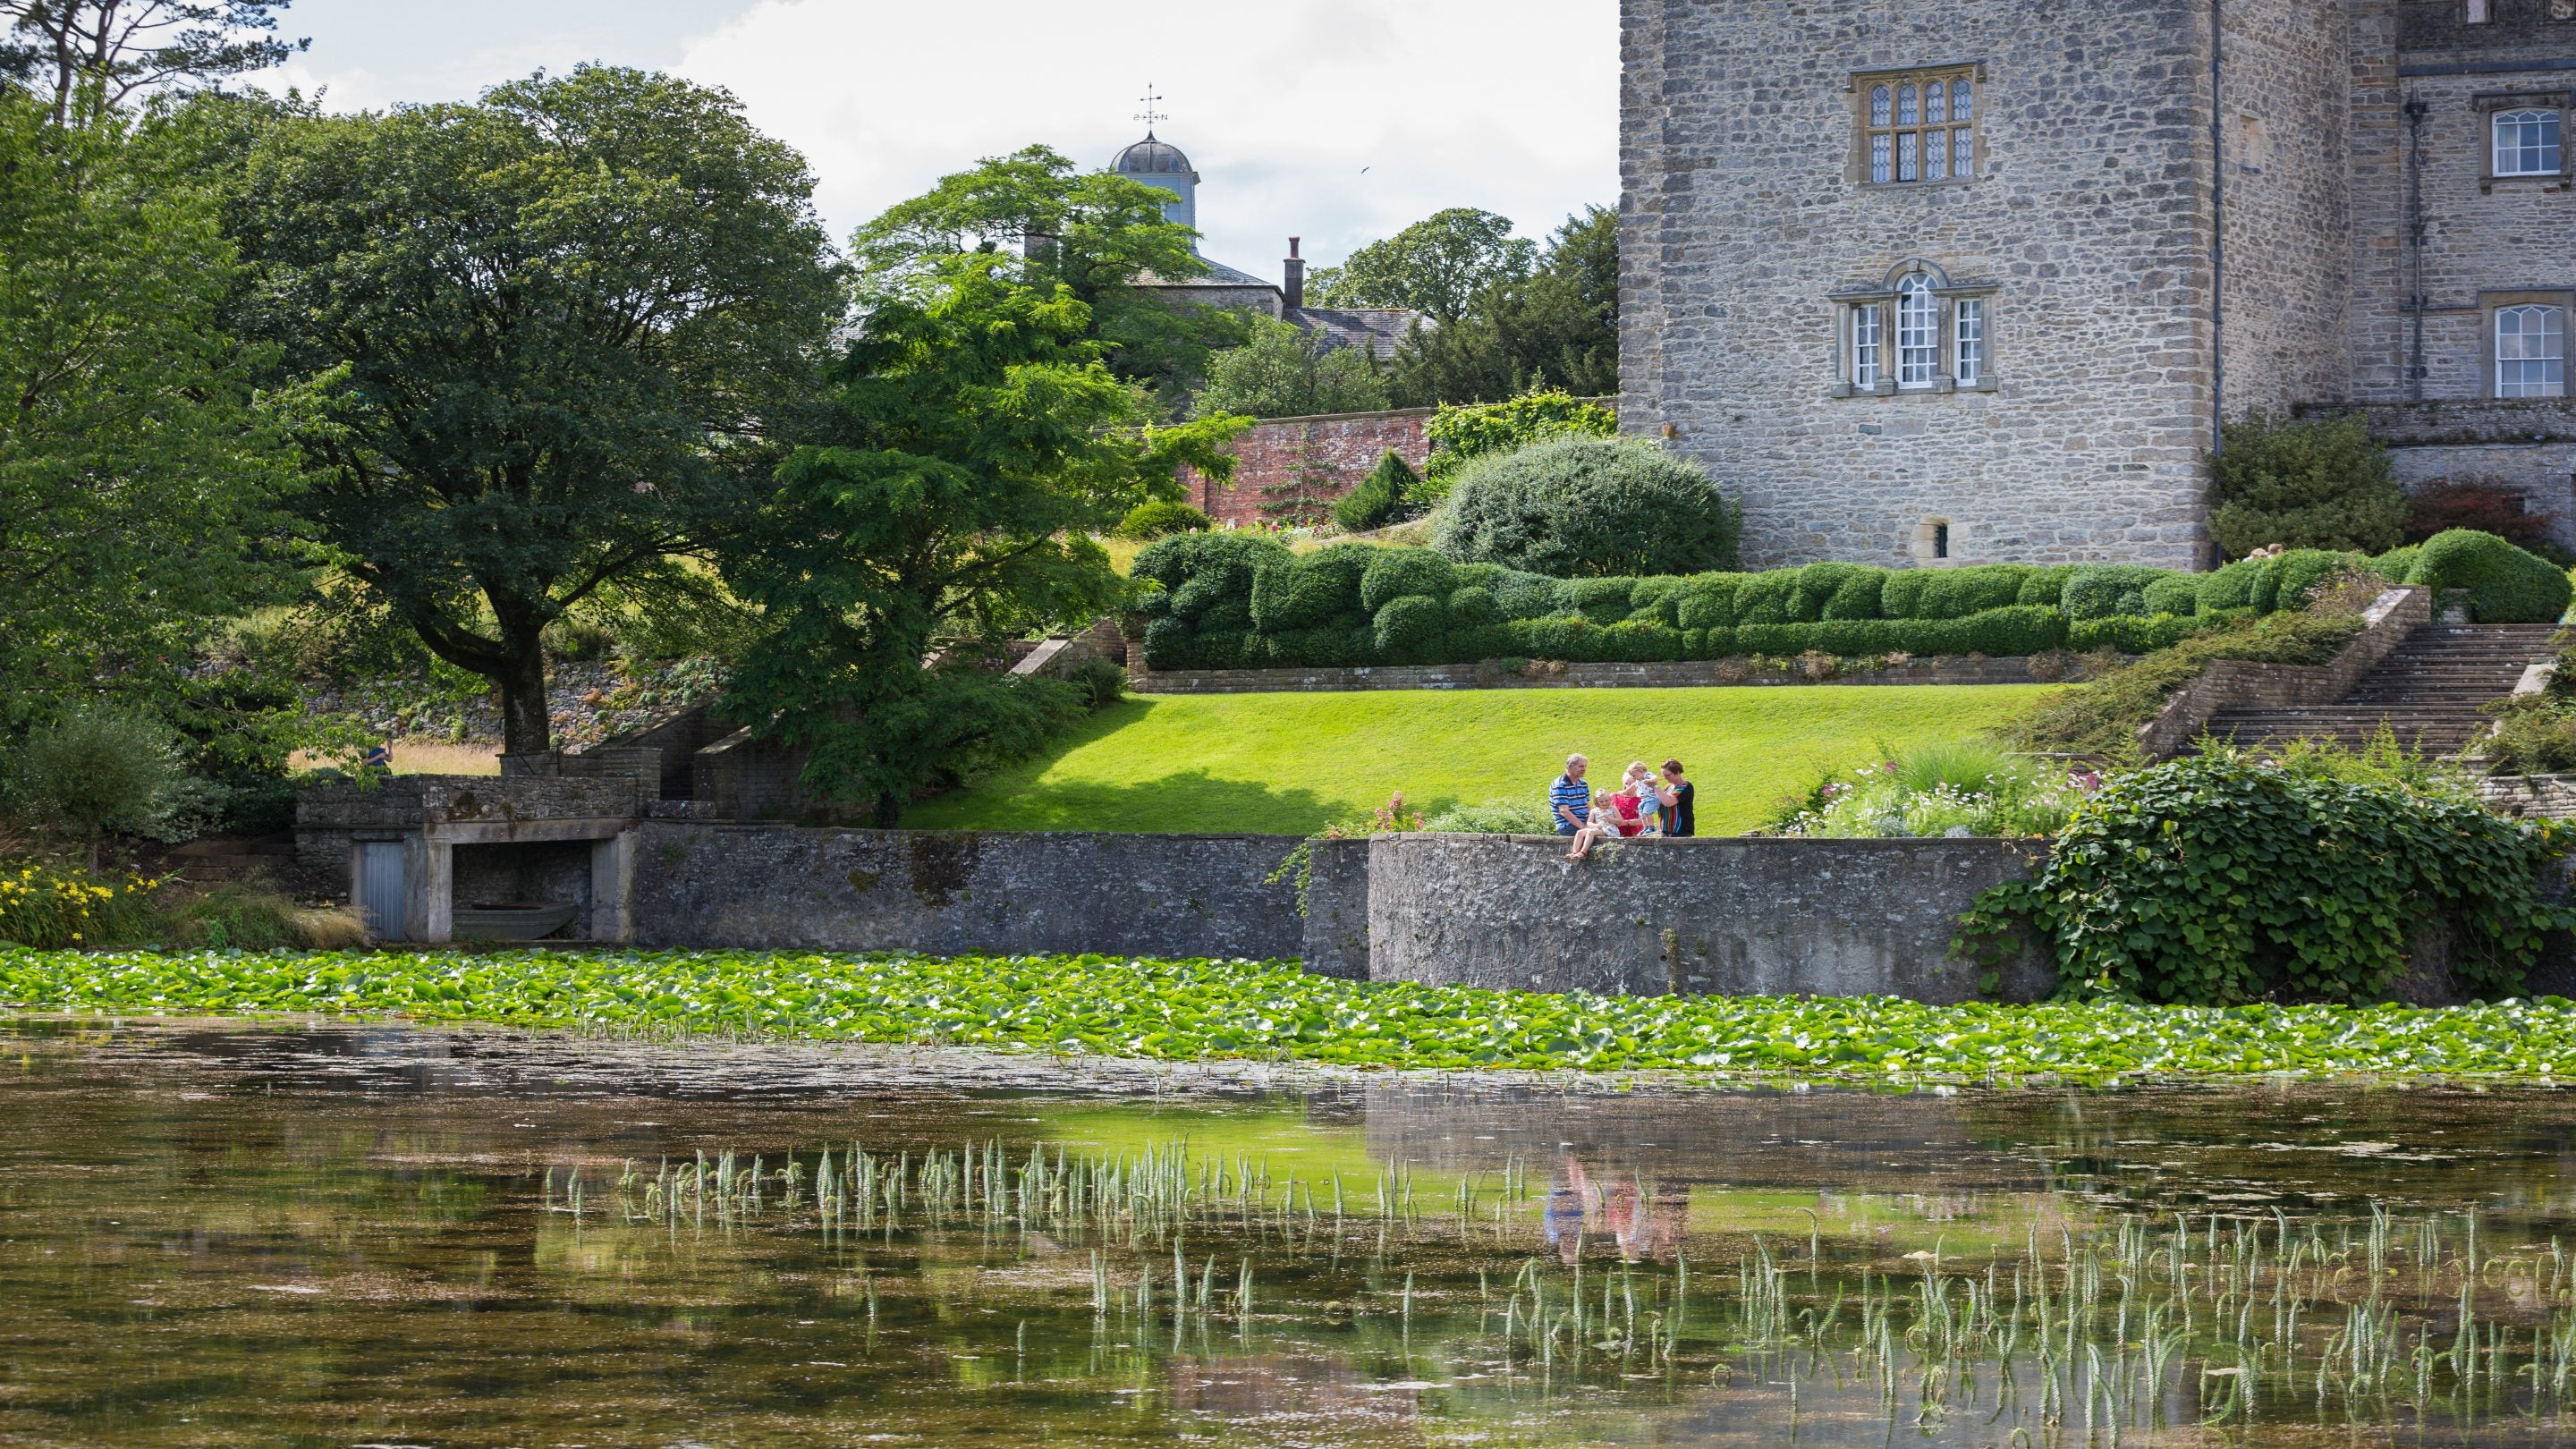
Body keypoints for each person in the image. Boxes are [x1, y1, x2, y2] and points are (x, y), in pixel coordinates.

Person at [1566, 789, 1625, 860]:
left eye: (1607, 800)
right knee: (1579, 832)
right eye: (1601, 801)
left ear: (1610, 799)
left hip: (1610, 829)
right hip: (1599, 828)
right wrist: (1595, 825)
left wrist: (1610, 819)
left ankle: (1583, 852)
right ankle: (1575, 852)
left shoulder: (1613, 809)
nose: (1604, 803)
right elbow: (1589, 823)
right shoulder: (1594, 811)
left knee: (1591, 832)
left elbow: (1620, 821)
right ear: (1597, 802)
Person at [1549, 754, 1592, 836]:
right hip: (1568, 826)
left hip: (1585, 822)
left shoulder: (1583, 784)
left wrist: (1592, 821)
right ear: (1570, 766)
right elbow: (1564, 811)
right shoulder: (1560, 785)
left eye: (1585, 766)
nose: (1584, 769)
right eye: (1581, 766)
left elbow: (1588, 806)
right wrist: (1583, 827)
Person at [1623, 760, 1663, 837]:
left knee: (1647, 812)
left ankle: (1652, 827)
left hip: (1651, 798)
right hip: (1644, 799)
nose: (1633, 778)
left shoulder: (1646, 775)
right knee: (1641, 812)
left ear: (1640, 771)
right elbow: (1634, 785)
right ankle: (1646, 827)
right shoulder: (1638, 780)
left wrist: (1650, 780)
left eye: (1634, 775)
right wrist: (1626, 791)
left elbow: (1655, 777)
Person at [1660, 759, 1697, 838]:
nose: (1665, 778)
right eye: (1663, 775)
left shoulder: (1685, 786)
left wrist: (1655, 787)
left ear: (1677, 772)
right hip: (1666, 828)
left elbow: (1669, 802)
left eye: (1668, 775)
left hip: (1680, 828)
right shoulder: (1668, 787)